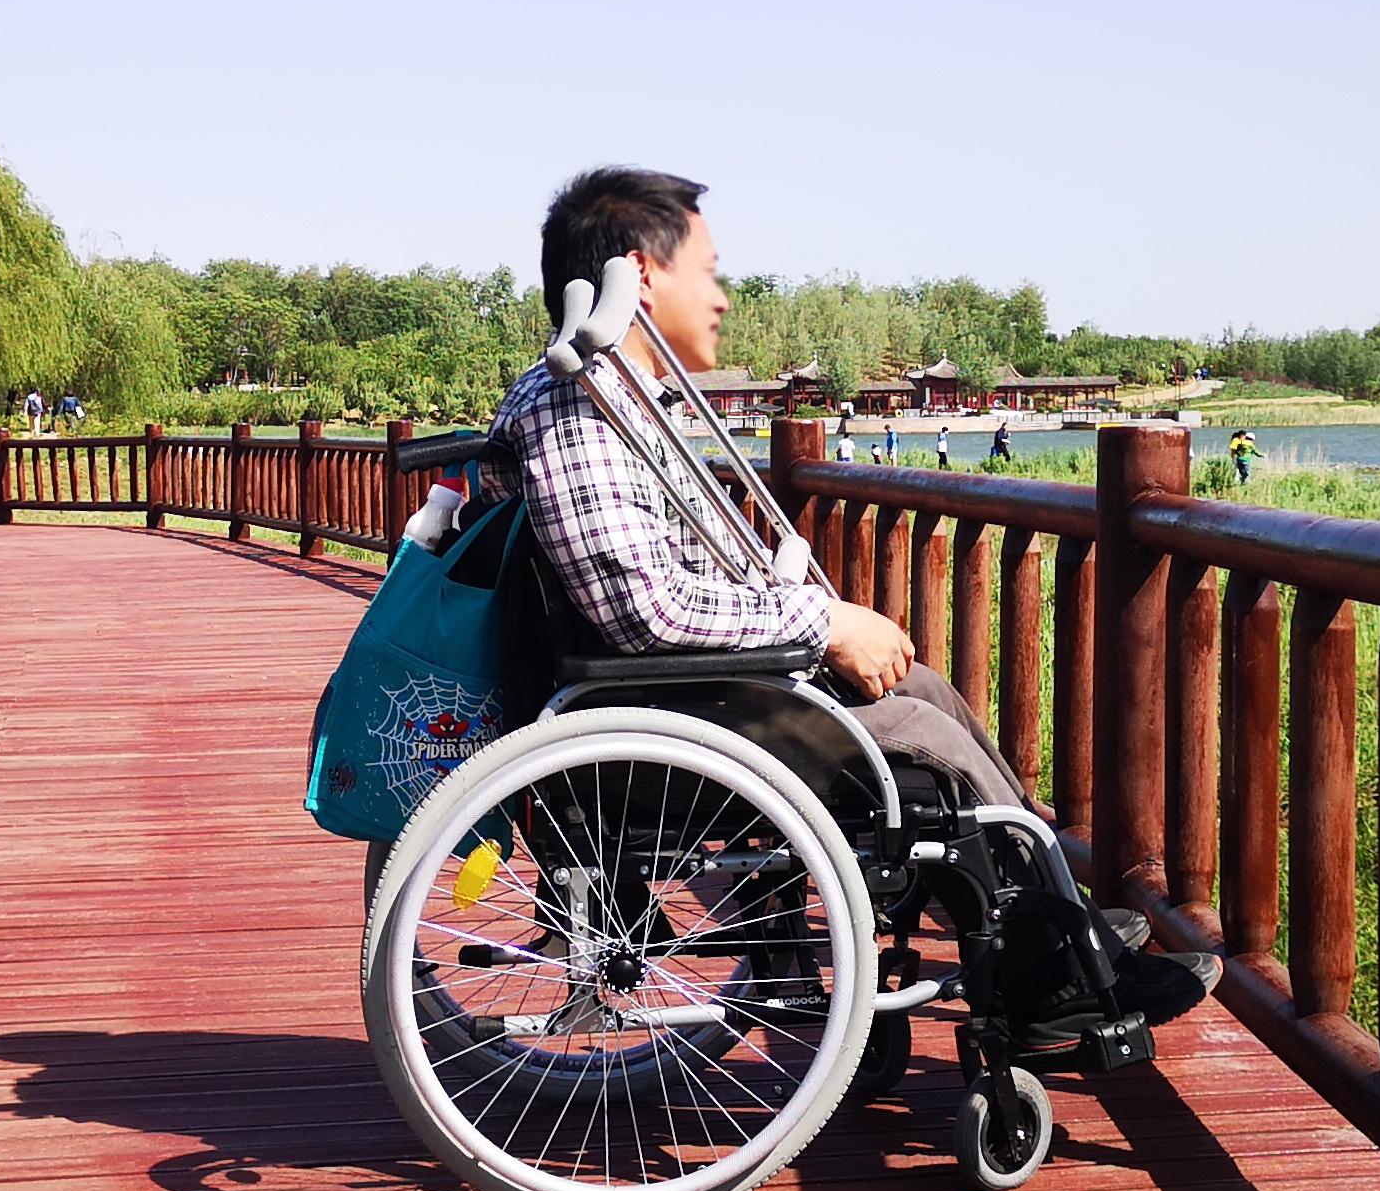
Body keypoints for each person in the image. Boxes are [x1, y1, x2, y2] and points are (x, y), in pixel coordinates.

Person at [482, 167, 1215, 1035]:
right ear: (643, 274)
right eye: (709, 271)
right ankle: (1049, 970)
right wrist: (823, 623)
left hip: (683, 698)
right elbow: (644, 612)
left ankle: (1051, 926)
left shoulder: (614, 397)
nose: (721, 298)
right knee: (924, 737)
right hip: (663, 719)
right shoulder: (579, 402)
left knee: (925, 693)